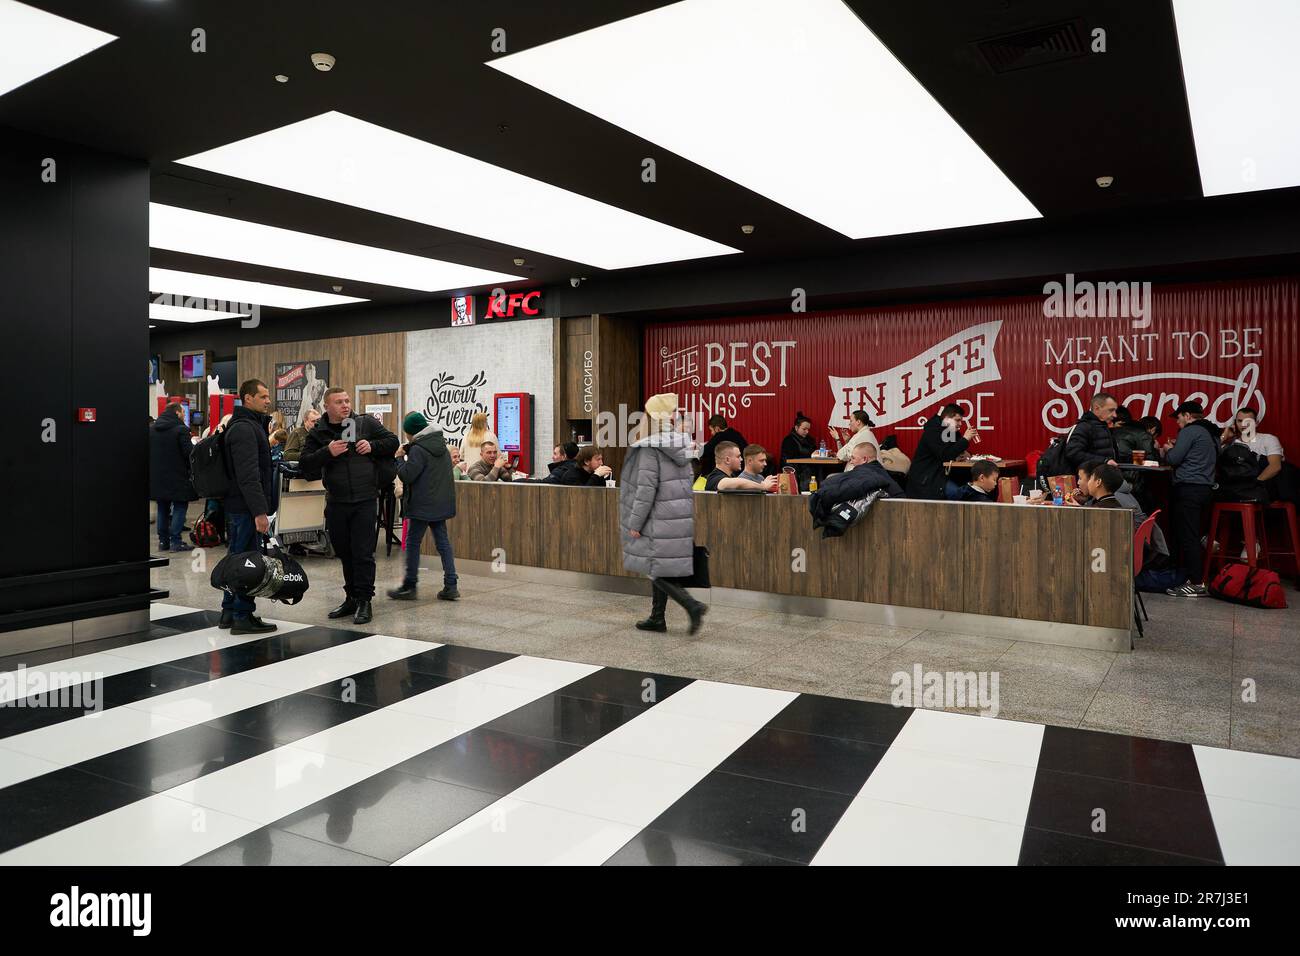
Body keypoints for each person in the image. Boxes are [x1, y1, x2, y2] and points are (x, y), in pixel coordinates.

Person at [299, 387, 400, 624]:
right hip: (337, 501)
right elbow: (305, 465)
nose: (345, 405)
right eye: (339, 402)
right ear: (327, 407)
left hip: (365, 499)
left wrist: (372, 446)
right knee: (345, 552)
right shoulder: (319, 432)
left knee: (363, 553)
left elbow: (393, 441)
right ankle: (352, 597)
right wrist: (328, 451)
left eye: (347, 401)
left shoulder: (364, 423)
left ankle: (365, 600)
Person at [621, 393, 707, 634]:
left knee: (654, 570)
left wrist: (636, 522)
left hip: (658, 517)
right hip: (679, 515)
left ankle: (693, 605)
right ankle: (657, 618)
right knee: (660, 567)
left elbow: (645, 490)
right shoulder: (682, 443)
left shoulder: (650, 447)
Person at [219, 379, 277, 635]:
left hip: (240, 507)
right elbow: (248, 475)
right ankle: (243, 614)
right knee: (247, 562)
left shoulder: (248, 426)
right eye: (262, 396)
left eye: (267, 396)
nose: (268, 401)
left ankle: (229, 611)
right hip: (245, 509)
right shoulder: (245, 429)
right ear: (247, 398)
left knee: (236, 558)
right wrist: (259, 512)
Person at [387, 411, 459, 602]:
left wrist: (398, 458)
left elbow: (407, 475)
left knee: (412, 542)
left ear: (412, 432)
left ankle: (409, 585)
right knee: (443, 543)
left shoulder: (419, 450)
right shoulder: (441, 446)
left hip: (422, 504)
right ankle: (451, 584)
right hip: (440, 502)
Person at [1159, 400, 1220, 597]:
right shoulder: (1212, 433)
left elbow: (1173, 459)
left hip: (1189, 489)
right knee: (1195, 534)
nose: (1177, 422)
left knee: (1188, 537)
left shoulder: (1190, 431)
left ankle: (1196, 583)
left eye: (1178, 418)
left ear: (1187, 415)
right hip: (1206, 489)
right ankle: (1195, 578)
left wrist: (1168, 449)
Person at [149, 404, 196, 552]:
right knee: (180, 506)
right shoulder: (181, 430)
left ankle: (163, 542)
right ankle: (176, 541)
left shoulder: (152, 429)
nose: (184, 415)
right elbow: (189, 453)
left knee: (162, 507)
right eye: (183, 412)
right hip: (178, 475)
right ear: (177, 413)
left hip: (157, 477)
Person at [906, 404, 977, 500]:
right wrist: (965, 439)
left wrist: (964, 453)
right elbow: (946, 455)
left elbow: (957, 449)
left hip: (941, 476)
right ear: (947, 418)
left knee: (973, 489)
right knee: (959, 494)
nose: (960, 424)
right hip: (926, 480)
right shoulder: (933, 431)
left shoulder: (950, 431)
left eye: (961, 420)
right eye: (957, 420)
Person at [1224, 407, 1285, 486]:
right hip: (1237, 488)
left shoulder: (1268, 439)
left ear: (1256, 423)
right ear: (1235, 423)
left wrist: (1254, 485)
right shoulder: (1231, 443)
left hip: (1262, 488)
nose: (1243, 425)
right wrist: (1224, 437)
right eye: (1240, 421)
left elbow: (1275, 467)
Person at [1064, 393, 1120, 470]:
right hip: (1089, 479)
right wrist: (1104, 461)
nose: (1115, 415)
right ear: (1097, 408)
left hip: (1102, 478)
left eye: (1115, 411)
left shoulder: (1103, 427)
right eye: (1111, 410)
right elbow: (1073, 453)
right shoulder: (1084, 427)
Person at [704, 441, 776, 492]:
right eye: (738, 456)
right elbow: (728, 484)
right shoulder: (714, 478)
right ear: (727, 460)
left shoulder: (731, 475)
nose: (741, 459)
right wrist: (763, 486)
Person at [779, 411, 817, 487]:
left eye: (808, 429)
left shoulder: (810, 439)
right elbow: (789, 459)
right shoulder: (789, 440)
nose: (807, 432)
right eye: (804, 429)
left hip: (808, 466)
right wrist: (811, 455)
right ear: (796, 428)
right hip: (796, 468)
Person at [544, 445, 613, 486]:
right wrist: (596, 476)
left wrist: (608, 478)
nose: (601, 463)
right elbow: (583, 495)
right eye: (598, 459)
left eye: (601, 459)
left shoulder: (598, 474)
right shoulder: (571, 476)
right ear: (586, 461)